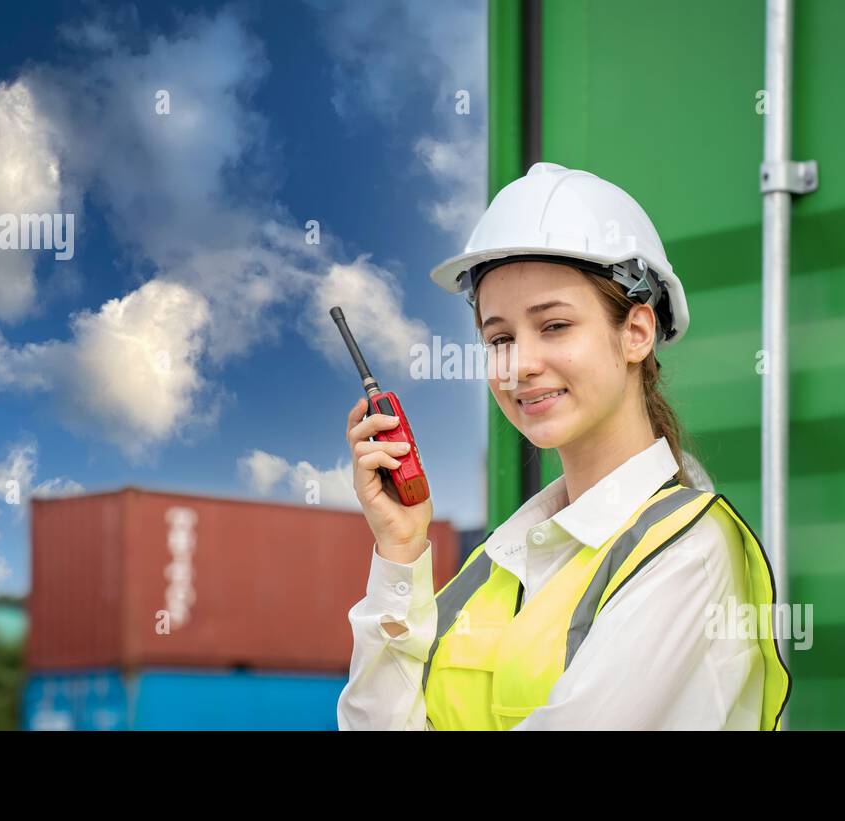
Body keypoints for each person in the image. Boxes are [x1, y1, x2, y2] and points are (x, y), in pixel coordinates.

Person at [337, 162, 790, 730]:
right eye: (499, 337)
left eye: (553, 326)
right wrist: (400, 552)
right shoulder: (496, 566)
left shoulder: (688, 556)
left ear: (636, 333)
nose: (521, 365)